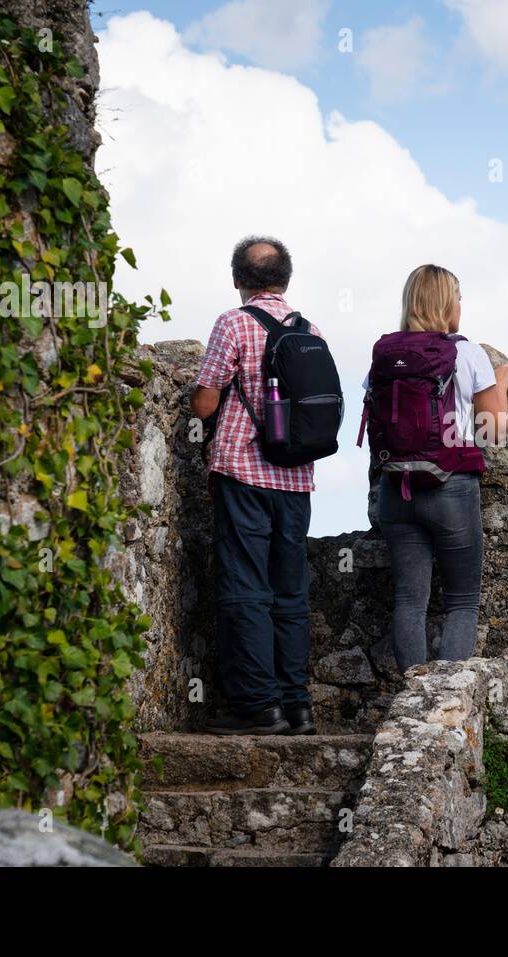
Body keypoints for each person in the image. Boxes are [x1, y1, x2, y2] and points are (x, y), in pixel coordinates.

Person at [191, 236, 321, 735]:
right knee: (289, 592)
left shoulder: (234, 323)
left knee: (245, 587)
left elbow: (205, 404)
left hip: (244, 470)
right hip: (296, 477)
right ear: (285, 279)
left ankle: (259, 708)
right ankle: (298, 706)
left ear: (237, 279)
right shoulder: (311, 330)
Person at [365, 264, 508, 671]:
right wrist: (500, 385)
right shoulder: (466, 352)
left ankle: (412, 702)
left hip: (395, 487)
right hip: (450, 486)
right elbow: (494, 428)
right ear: (448, 304)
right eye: (458, 298)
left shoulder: (385, 355)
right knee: (462, 599)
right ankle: (445, 705)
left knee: (408, 601)